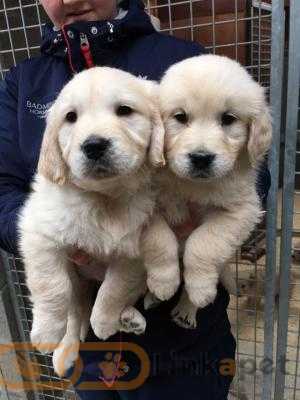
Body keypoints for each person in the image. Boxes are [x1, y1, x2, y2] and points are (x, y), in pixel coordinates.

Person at [0, 0, 270, 398]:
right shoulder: (22, 81)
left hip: (180, 347)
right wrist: (74, 244)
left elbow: (252, 171)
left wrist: (190, 233)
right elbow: (5, 189)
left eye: (124, 110)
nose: (70, 0)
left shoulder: (183, 63)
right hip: (92, 352)